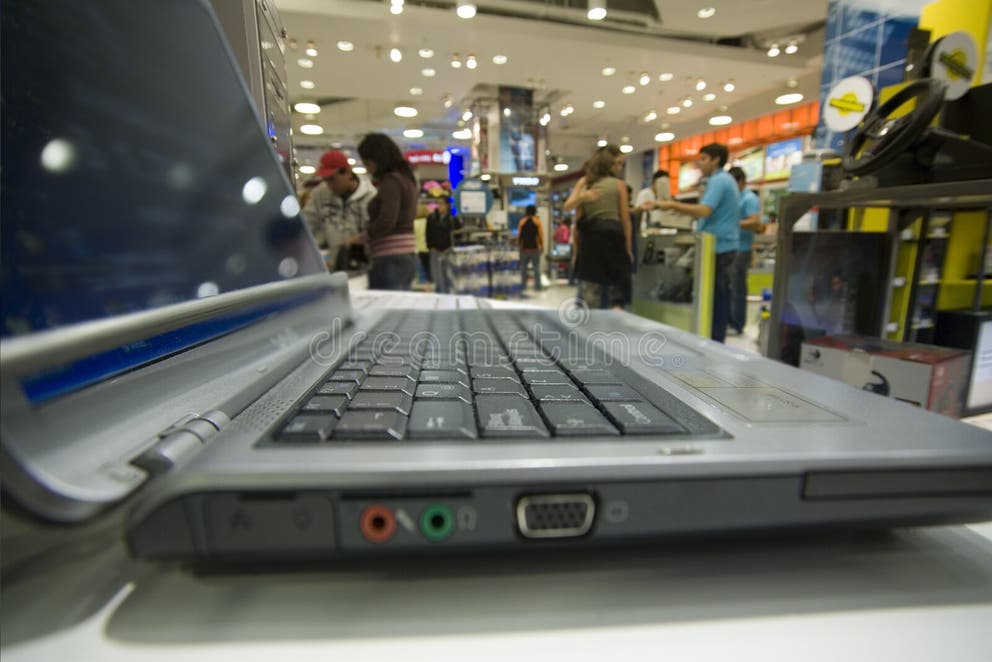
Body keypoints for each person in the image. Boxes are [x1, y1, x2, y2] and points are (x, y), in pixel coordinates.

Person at [655, 143, 740, 341]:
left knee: (716, 297)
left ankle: (714, 341)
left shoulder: (719, 181)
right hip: (719, 244)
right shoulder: (720, 181)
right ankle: (713, 338)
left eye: (703, 159)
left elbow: (704, 211)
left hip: (719, 246)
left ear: (715, 159)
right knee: (716, 295)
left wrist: (671, 205)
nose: (699, 164)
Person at [563, 145, 632, 310]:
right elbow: (625, 219)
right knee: (617, 291)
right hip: (613, 237)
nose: (619, 168)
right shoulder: (619, 184)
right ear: (609, 164)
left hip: (590, 239)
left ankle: (588, 330)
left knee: (590, 292)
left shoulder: (585, 182)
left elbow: (569, 209)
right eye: (617, 164)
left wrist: (583, 197)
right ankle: (615, 328)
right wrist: (628, 248)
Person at [356, 133, 419, 290]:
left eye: (368, 164)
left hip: (389, 257)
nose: (367, 169)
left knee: (386, 311)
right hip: (405, 255)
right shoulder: (406, 180)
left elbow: (387, 220)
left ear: (378, 159)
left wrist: (362, 237)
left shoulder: (391, 181)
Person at [301, 149, 375, 272]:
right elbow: (306, 225)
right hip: (334, 266)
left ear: (348, 173)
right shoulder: (320, 194)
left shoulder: (370, 196)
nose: (329, 185)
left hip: (367, 267)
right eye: (325, 180)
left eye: (332, 179)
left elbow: (375, 233)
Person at [727, 166, 763, 334]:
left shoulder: (749, 198)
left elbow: (755, 223)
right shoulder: (737, 197)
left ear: (742, 182)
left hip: (742, 249)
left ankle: (737, 324)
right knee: (731, 287)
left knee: (737, 288)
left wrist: (731, 224)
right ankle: (730, 321)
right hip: (732, 247)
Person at [425, 197, 460, 294]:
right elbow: (428, 233)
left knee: (449, 275)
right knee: (437, 276)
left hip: (448, 250)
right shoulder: (431, 218)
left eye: (442, 203)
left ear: (447, 205)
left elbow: (458, 235)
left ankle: (449, 294)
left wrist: (452, 247)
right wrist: (430, 247)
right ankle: (439, 294)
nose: (440, 206)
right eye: (438, 203)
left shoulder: (453, 219)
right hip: (435, 250)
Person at [517, 204, 544, 292]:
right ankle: (537, 286)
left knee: (523, 268)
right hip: (535, 249)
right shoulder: (537, 221)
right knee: (536, 267)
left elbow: (519, 236)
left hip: (524, 249)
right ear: (534, 212)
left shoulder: (522, 221)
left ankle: (523, 286)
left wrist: (519, 245)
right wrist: (542, 246)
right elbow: (540, 235)